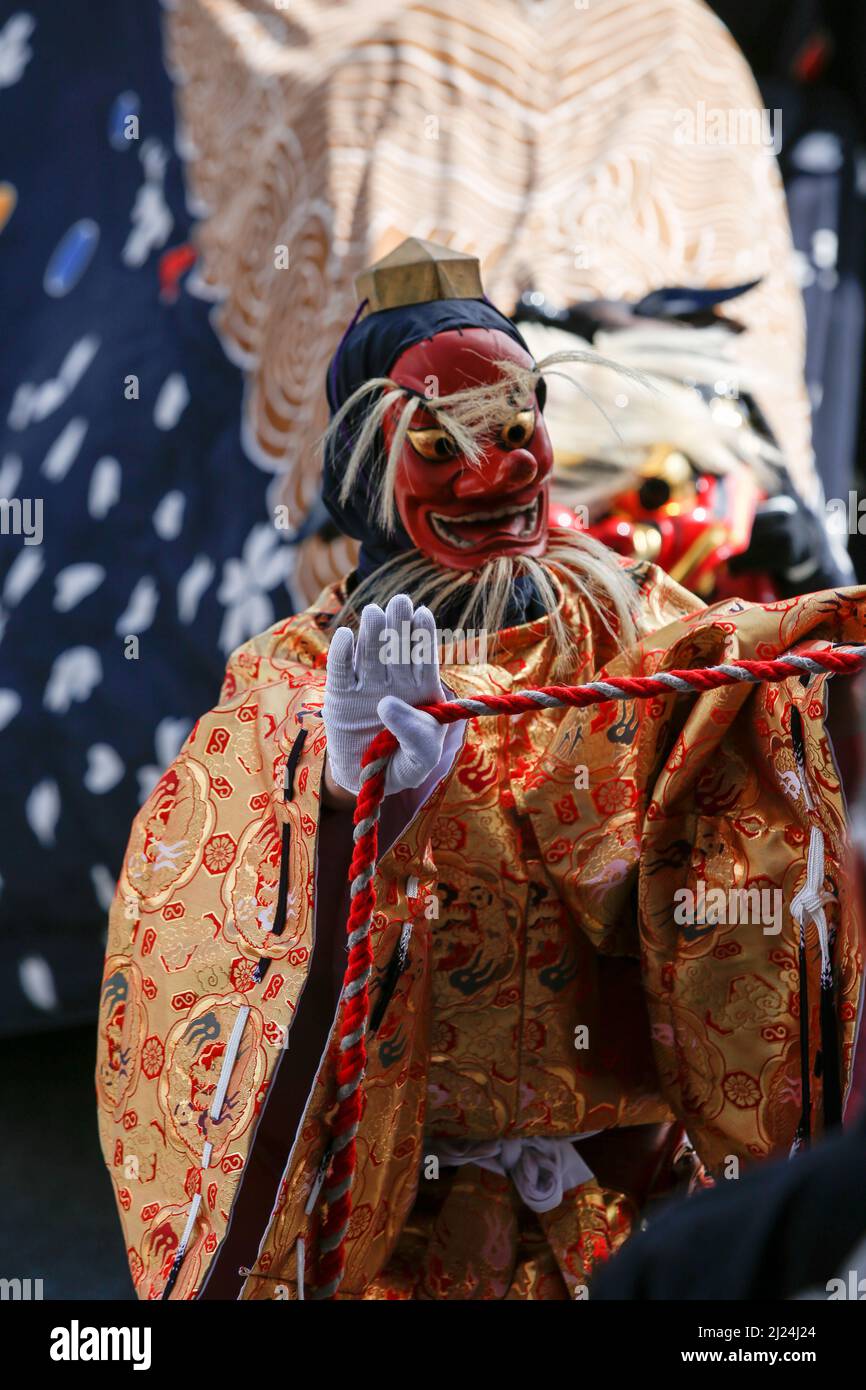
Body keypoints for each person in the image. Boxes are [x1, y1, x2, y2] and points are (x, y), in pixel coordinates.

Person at [97, 240, 864, 1300]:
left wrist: (792, 675)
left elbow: (734, 854)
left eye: (514, 429)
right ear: (369, 461)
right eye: (438, 444)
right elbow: (205, 923)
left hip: (616, 1235)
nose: (493, 473)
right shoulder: (296, 680)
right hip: (399, 1250)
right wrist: (346, 800)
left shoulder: (636, 634)